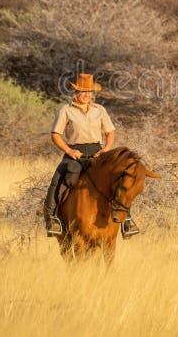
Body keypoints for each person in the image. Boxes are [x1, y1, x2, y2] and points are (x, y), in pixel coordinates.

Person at [44, 73, 116, 236]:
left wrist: (106, 149)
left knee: (119, 178)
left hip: (98, 151)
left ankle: (126, 220)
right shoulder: (66, 110)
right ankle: (53, 219)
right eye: (83, 91)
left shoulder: (100, 110)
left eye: (89, 92)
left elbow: (110, 132)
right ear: (75, 92)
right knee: (58, 181)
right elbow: (55, 134)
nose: (86, 95)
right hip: (75, 151)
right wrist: (69, 151)